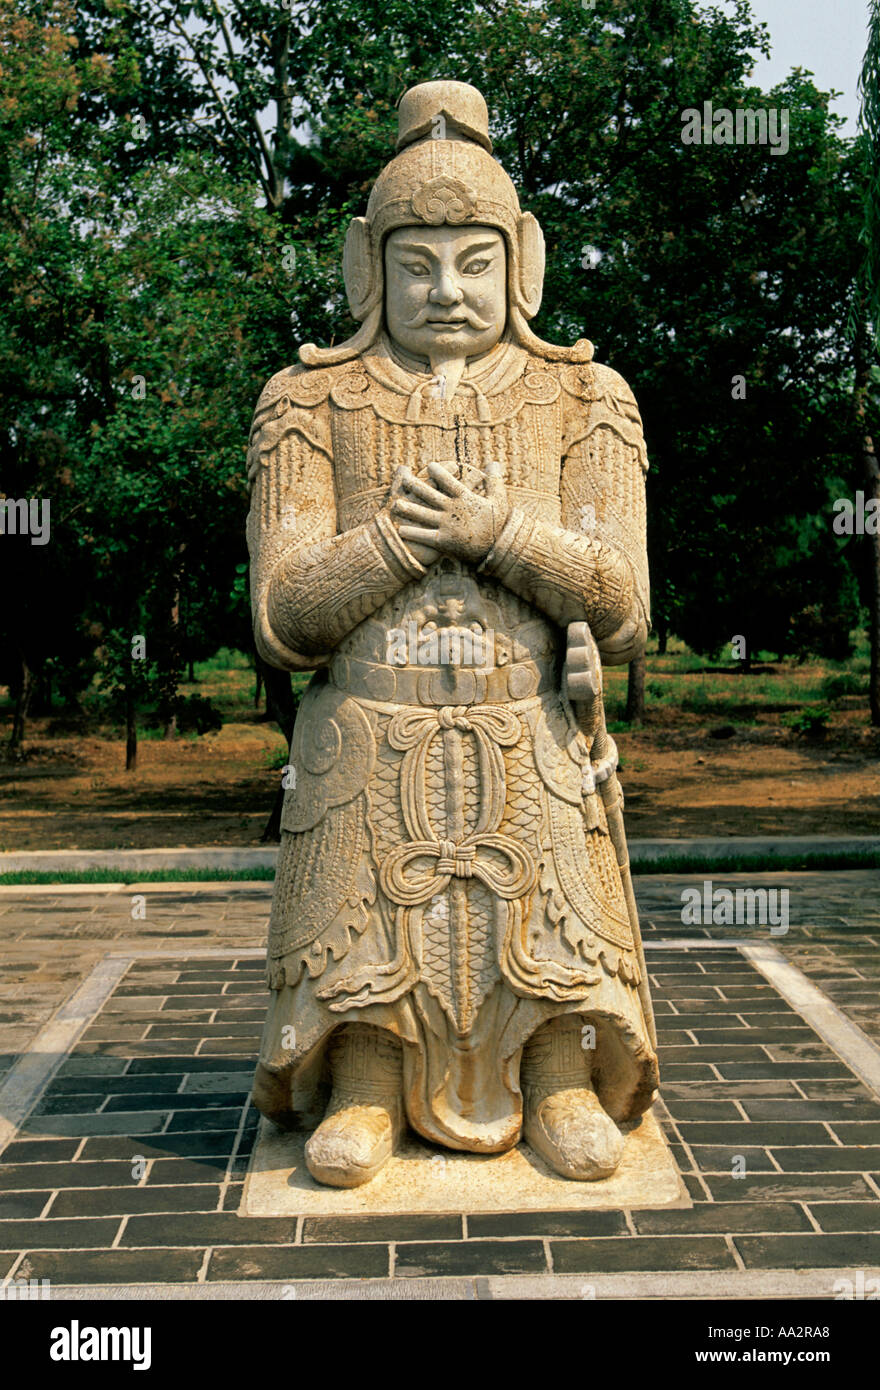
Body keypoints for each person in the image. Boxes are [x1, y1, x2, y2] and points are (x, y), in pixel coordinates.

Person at [247, 80, 659, 1187]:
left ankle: (557, 1080)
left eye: (473, 261)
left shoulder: (585, 399)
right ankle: (365, 1084)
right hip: (370, 728)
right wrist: (390, 541)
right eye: (414, 262)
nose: (444, 289)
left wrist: (501, 534)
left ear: (521, 259)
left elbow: (622, 602)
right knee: (372, 915)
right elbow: (283, 615)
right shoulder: (307, 400)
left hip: (527, 716)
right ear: (362, 263)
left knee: (546, 915)